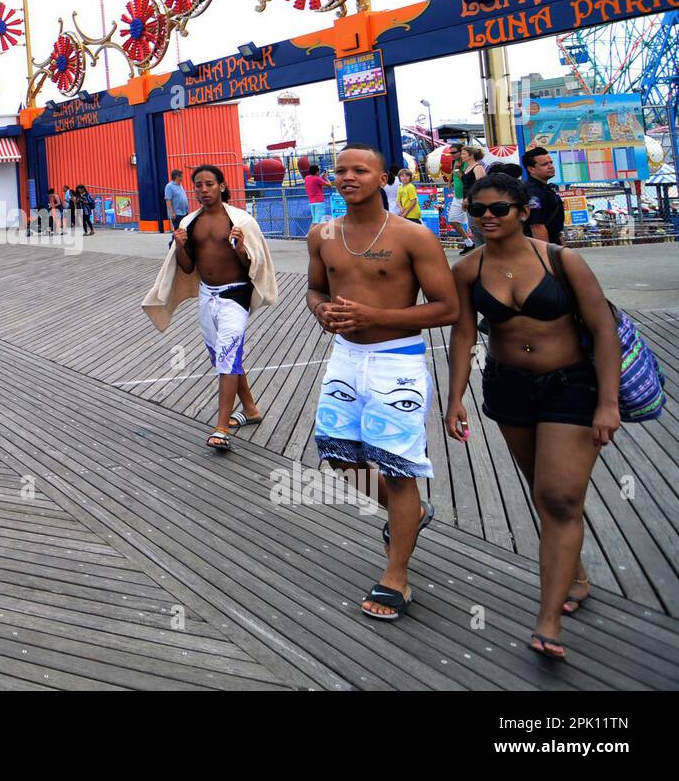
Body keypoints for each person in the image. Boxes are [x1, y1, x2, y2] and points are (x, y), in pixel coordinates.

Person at [445, 172, 619, 660]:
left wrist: (608, 402)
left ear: (523, 211)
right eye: (478, 210)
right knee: (544, 493)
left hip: (571, 385)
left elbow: (602, 329)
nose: (487, 218)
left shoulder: (563, 261)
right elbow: (463, 336)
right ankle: (576, 574)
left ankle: (548, 624)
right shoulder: (467, 269)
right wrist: (454, 397)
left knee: (559, 496)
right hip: (508, 387)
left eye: (499, 209)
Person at [305, 144, 459, 622]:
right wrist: (321, 311)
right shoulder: (322, 234)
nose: (348, 177)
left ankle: (397, 576)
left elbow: (447, 307)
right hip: (346, 358)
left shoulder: (413, 237)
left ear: (382, 177)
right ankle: (408, 514)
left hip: (397, 361)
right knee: (337, 453)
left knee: (397, 466)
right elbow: (314, 289)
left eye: (360, 170)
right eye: (341, 170)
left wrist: (375, 314)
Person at [163, 165, 278, 452]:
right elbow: (188, 267)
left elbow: (254, 265)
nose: (203, 190)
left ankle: (221, 428)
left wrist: (240, 248)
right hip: (207, 295)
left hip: (235, 296)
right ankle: (250, 409)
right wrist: (179, 246)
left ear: (222, 186)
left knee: (227, 356)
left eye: (209, 184)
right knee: (223, 358)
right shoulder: (190, 223)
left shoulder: (241, 221)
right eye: (198, 185)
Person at [522, 146, 565, 245]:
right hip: (540, 247)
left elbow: (556, 229)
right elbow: (537, 227)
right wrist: (546, 255)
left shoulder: (545, 188)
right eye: (545, 164)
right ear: (531, 169)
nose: (550, 166)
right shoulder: (533, 192)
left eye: (551, 162)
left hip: (553, 242)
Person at [444, 145, 476, 253]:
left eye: (454, 153)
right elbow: (453, 173)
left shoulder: (467, 163)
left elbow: (466, 179)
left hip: (466, 196)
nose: (452, 155)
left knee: (473, 222)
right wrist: (449, 182)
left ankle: (479, 243)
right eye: (451, 153)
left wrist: (457, 168)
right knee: (452, 220)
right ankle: (469, 242)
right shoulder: (455, 162)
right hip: (457, 196)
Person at [164, 170, 189, 235]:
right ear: (177, 177)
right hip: (177, 214)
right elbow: (168, 200)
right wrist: (172, 213)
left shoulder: (180, 185)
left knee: (184, 230)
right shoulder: (169, 186)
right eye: (181, 176)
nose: (182, 178)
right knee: (178, 231)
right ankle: (173, 244)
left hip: (184, 212)